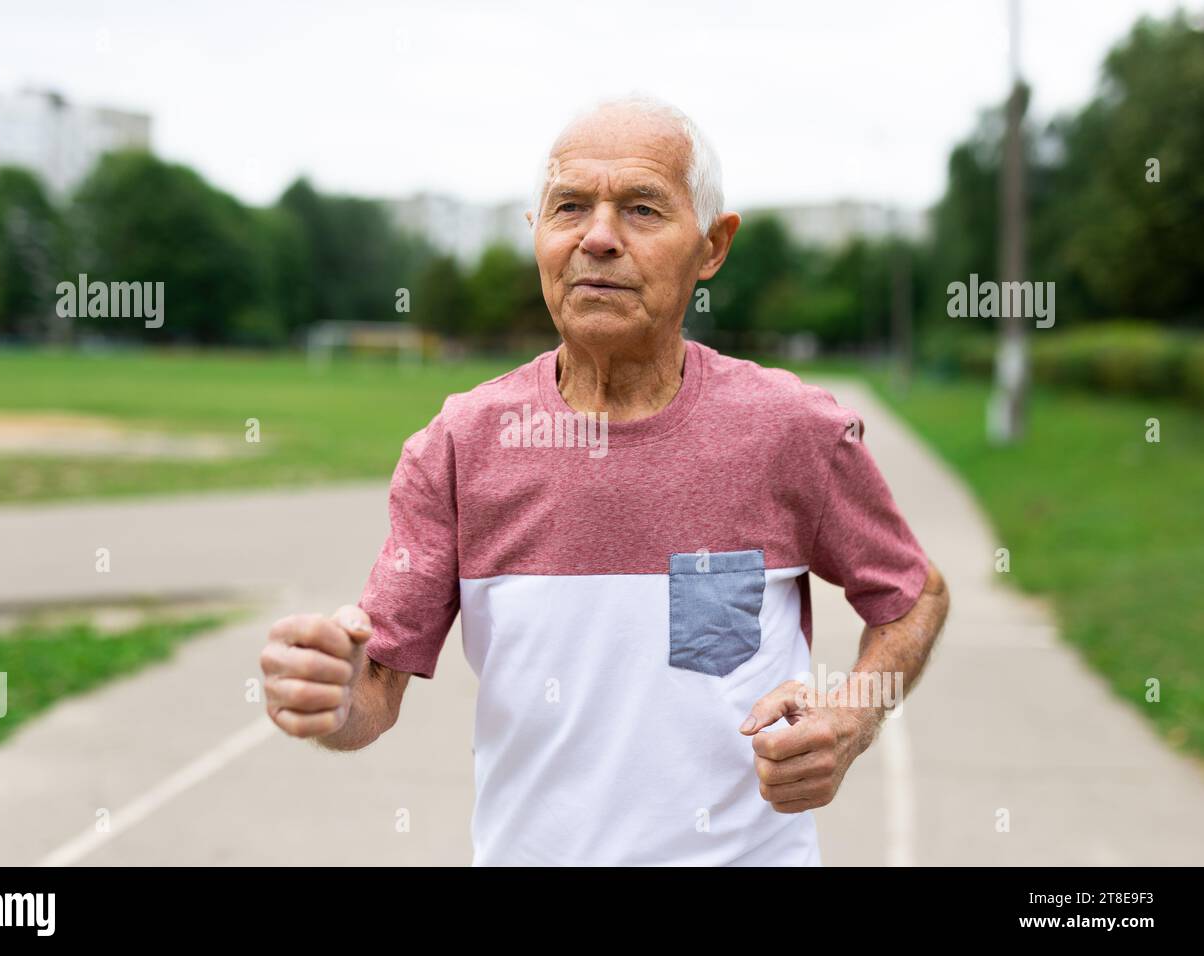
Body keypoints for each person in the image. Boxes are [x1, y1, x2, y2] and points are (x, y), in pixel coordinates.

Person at [259, 94, 950, 865]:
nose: (597, 237)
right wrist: (334, 691)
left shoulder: (788, 428)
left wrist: (851, 718)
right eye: (568, 207)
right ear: (537, 236)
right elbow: (373, 692)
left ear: (712, 246)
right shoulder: (459, 444)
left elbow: (914, 594)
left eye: (642, 209)